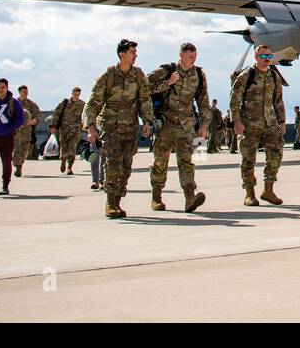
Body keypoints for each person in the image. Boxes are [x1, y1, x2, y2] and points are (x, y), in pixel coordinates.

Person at [85, 39, 154, 219]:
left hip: (130, 128)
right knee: (113, 164)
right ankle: (111, 202)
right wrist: (91, 128)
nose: (135, 55)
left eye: (135, 52)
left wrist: (147, 122)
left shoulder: (138, 76)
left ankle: (118, 199)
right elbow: (93, 103)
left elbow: (145, 101)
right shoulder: (107, 77)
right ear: (121, 54)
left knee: (126, 167)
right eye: (132, 52)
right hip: (110, 127)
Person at [146, 42, 209, 213]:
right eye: (189, 57)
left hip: (186, 125)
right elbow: (144, 87)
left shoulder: (198, 74)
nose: (192, 60)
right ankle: (156, 198)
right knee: (160, 162)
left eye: (194, 57)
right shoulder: (166, 70)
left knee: (187, 161)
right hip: (166, 123)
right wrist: (168, 82)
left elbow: (203, 100)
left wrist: (204, 124)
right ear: (181, 55)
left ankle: (190, 197)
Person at [229, 44, 287, 206]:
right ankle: (250, 194)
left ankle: (268, 189)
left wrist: (282, 121)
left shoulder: (274, 77)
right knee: (248, 159)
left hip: (270, 123)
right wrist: (237, 122)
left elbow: (278, 100)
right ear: (256, 57)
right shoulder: (247, 75)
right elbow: (235, 99)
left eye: (269, 56)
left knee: (276, 155)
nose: (266, 59)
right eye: (263, 56)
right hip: (250, 123)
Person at [50, 87, 86, 174]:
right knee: (64, 146)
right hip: (64, 128)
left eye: (78, 95)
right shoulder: (65, 102)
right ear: (72, 93)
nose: (76, 96)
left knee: (72, 147)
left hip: (75, 129)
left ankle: (70, 167)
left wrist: (84, 124)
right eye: (75, 94)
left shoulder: (82, 104)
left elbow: (85, 115)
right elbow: (57, 113)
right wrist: (53, 126)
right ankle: (63, 161)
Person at [12, 85, 41, 177]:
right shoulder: (13, 103)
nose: (25, 93)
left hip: (27, 131)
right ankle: (18, 167)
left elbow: (37, 115)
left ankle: (20, 164)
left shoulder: (31, 104)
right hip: (16, 131)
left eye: (26, 91)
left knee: (25, 150)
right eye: (24, 91)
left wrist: (33, 121)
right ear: (19, 92)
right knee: (17, 149)